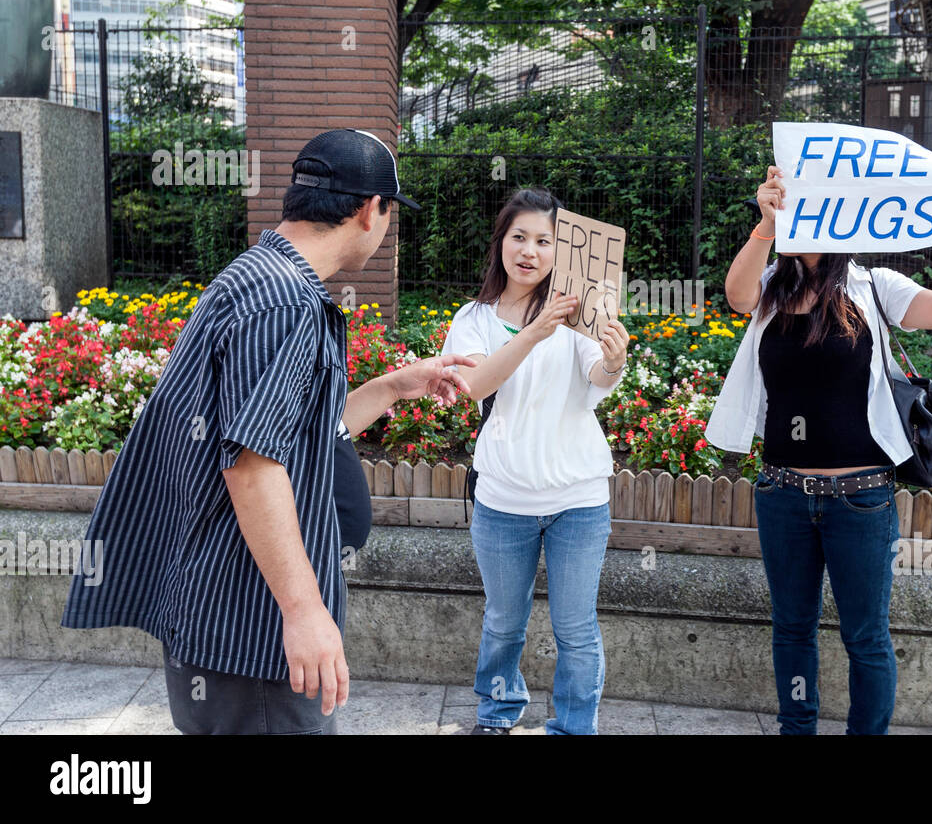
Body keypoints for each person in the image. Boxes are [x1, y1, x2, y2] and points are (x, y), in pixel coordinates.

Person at [61, 129, 476, 734]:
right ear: (369, 210)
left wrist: (391, 387)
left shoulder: (258, 277)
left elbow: (303, 432)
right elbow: (252, 463)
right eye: (390, 212)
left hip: (231, 621)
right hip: (250, 631)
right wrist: (305, 611)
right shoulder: (285, 303)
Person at [705, 165, 932, 734]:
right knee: (792, 628)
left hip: (862, 499)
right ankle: (796, 728)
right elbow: (735, 295)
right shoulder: (772, 290)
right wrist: (765, 224)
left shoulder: (873, 285)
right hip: (782, 494)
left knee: (865, 636)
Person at [441, 188, 629, 735]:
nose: (529, 250)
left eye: (544, 241)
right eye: (518, 237)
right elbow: (476, 384)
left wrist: (614, 360)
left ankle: (574, 727)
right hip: (503, 499)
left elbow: (598, 377)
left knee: (575, 627)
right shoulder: (473, 319)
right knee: (504, 624)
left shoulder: (582, 310)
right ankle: (497, 715)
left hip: (579, 498)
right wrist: (535, 329)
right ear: (501, 242)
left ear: (561, 250)